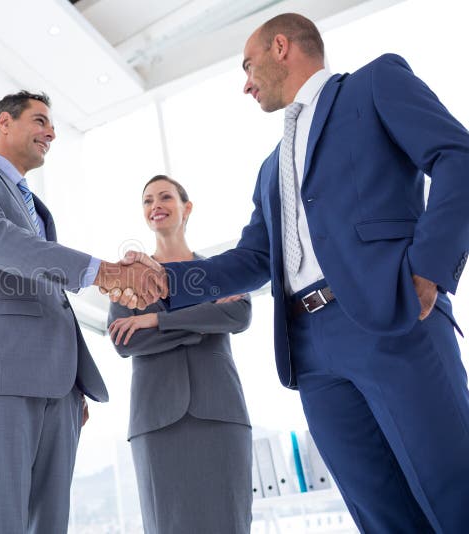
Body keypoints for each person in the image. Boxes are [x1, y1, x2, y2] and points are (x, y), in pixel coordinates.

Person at [114, 13, 469, 533]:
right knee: (381, 514)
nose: (245, 82)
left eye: (248, 65)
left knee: (453, 490)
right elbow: (254, 259)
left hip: (391, 316)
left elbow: (457, 155)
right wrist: (169, 283)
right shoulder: (269, 168)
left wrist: (429, 270)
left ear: (281, 47)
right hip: (312, 353)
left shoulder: (374, 85)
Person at [0, 90, 165, 534]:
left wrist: (70, 382)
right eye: (40, 121)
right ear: (4, 122)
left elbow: (45, 288)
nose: (51, 132)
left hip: (58, 392)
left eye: (51, 125)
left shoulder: (36, 207)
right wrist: (103, 272)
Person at [107, 175, 253, 534]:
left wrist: (157, 319)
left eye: (165, 197)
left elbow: (239, 314)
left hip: (221, 413)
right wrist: (203, 322)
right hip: (156, 418)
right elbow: (125, 341)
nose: (155, 205)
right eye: (147, 200)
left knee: (230, 523)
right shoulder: (128, 277)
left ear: (186, 208)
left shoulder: (219, 270)